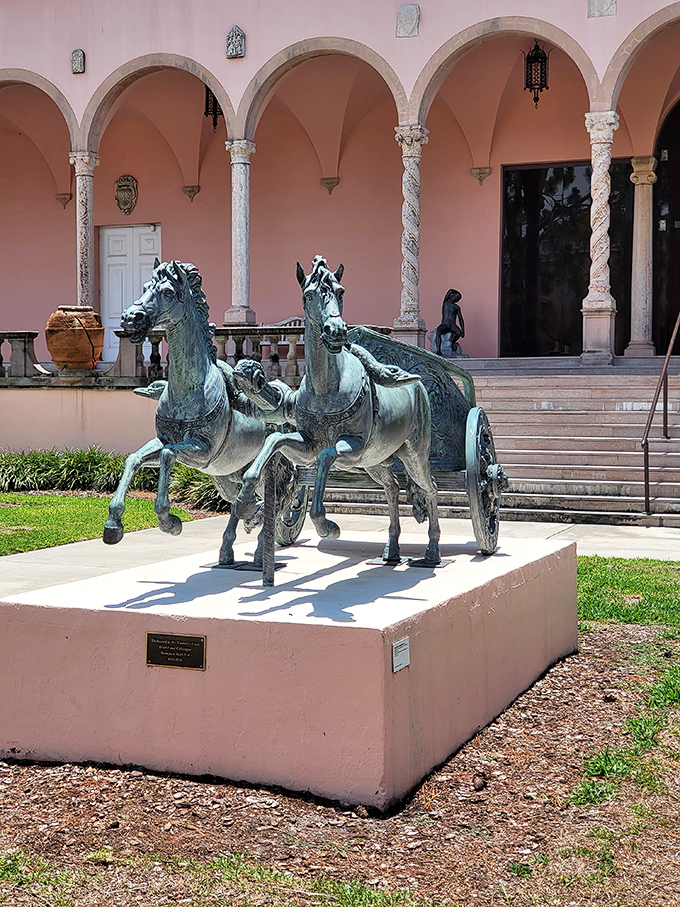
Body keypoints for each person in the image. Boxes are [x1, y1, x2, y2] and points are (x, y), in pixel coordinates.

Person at [433, 289, 465, 356]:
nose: (455, 298)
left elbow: (461, 319)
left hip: (452, 325)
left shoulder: (456, 307)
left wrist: (463, 330)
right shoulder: (445, 303)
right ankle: (438, 350)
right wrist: (456, 292)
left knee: (459, 333)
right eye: (455, 296)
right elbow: (450, 290)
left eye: (457, 298)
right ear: (451, 296)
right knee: (438, 331)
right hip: (445, 324)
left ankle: (452, 343)